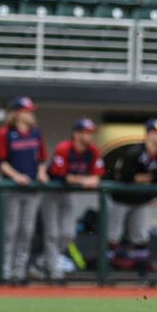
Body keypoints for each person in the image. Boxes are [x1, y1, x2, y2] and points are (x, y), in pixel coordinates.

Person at [107, 118, 157, 282]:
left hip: (140, 200)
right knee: (112, 236)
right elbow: (124, 176)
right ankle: (107, 274)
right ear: (148, 134)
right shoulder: (135, 152)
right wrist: (145, 178)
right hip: (121, 198)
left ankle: (141, 276)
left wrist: (140, 178)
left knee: (140, 237)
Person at [0, 96, 49, 286]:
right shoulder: (5, 133)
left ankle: (20, 272)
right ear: (17, 113)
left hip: (32, 189)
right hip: (12, 188)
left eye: (31, 111)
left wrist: (42, 172)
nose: (30, 114)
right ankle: (5, 272)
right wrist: (16, 176)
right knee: (10, 231)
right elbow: (1, 162)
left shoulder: (36, 133)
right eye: (27, 111)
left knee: (27, 232)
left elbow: (42, 159)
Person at [44, 118, 105, 283]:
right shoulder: (64, 148)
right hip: (52, 193)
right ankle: (54, 273)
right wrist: (82, 180)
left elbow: (98, 175)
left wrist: (80, 179)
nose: (90, 136)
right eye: (86, 132)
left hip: (69, 194)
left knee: (68, 233)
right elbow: (60, 176)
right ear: (76, 134)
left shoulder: (92, 151)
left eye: (91, 132)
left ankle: (45, 262)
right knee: (52, 234)